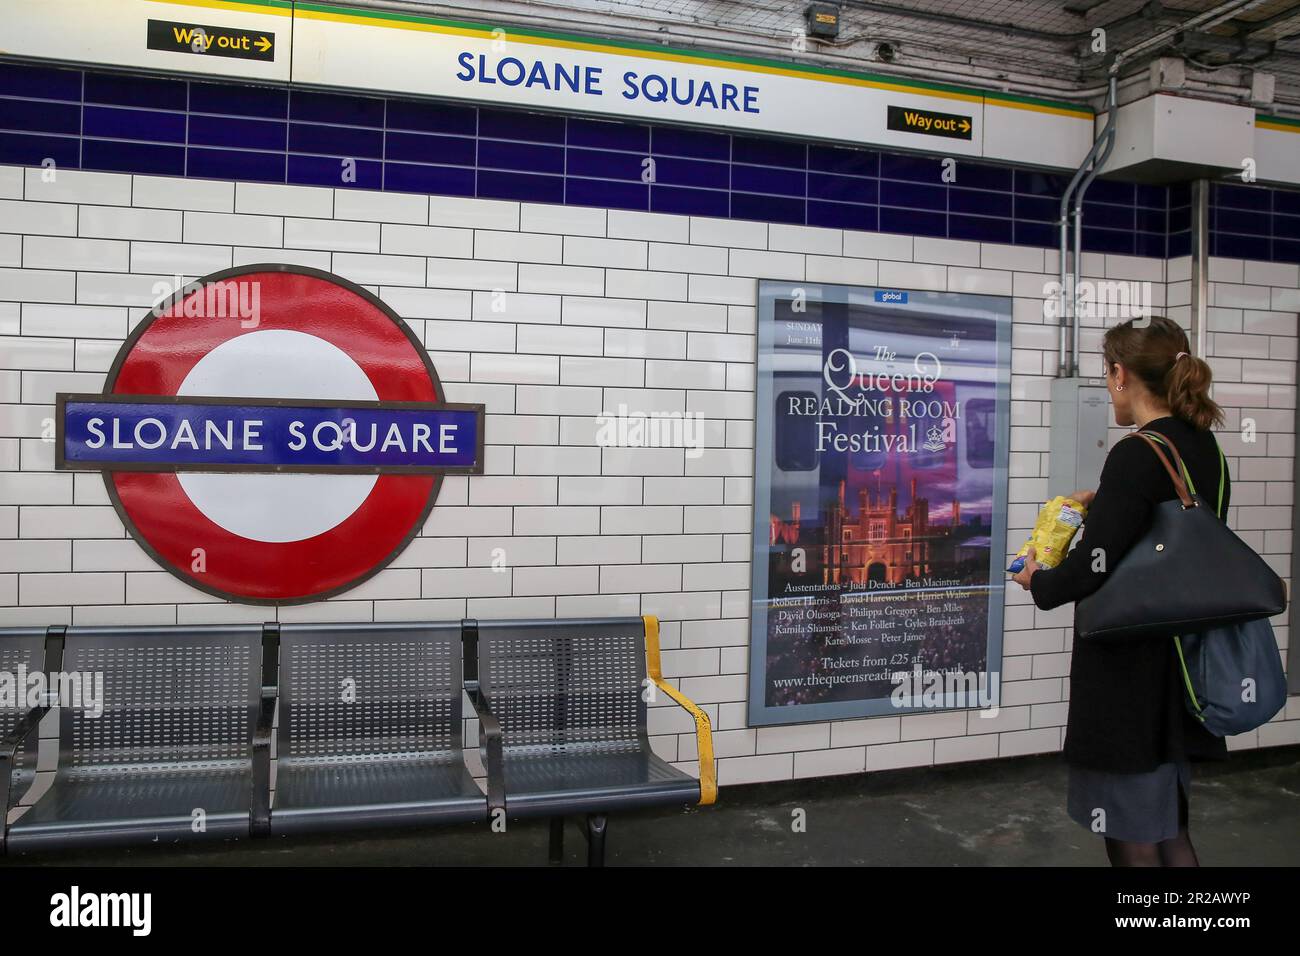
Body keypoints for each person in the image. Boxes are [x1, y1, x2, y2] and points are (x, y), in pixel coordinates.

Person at [1011, 315, 1229, 867]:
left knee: (1131, 831)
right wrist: (1106, 506)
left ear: (1119, 374)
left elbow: (1093, 568)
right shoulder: (1204, 448)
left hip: (1129, 672)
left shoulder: (1137, 452)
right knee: (1169, 827)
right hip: (1180, 659)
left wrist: (1039, 578)